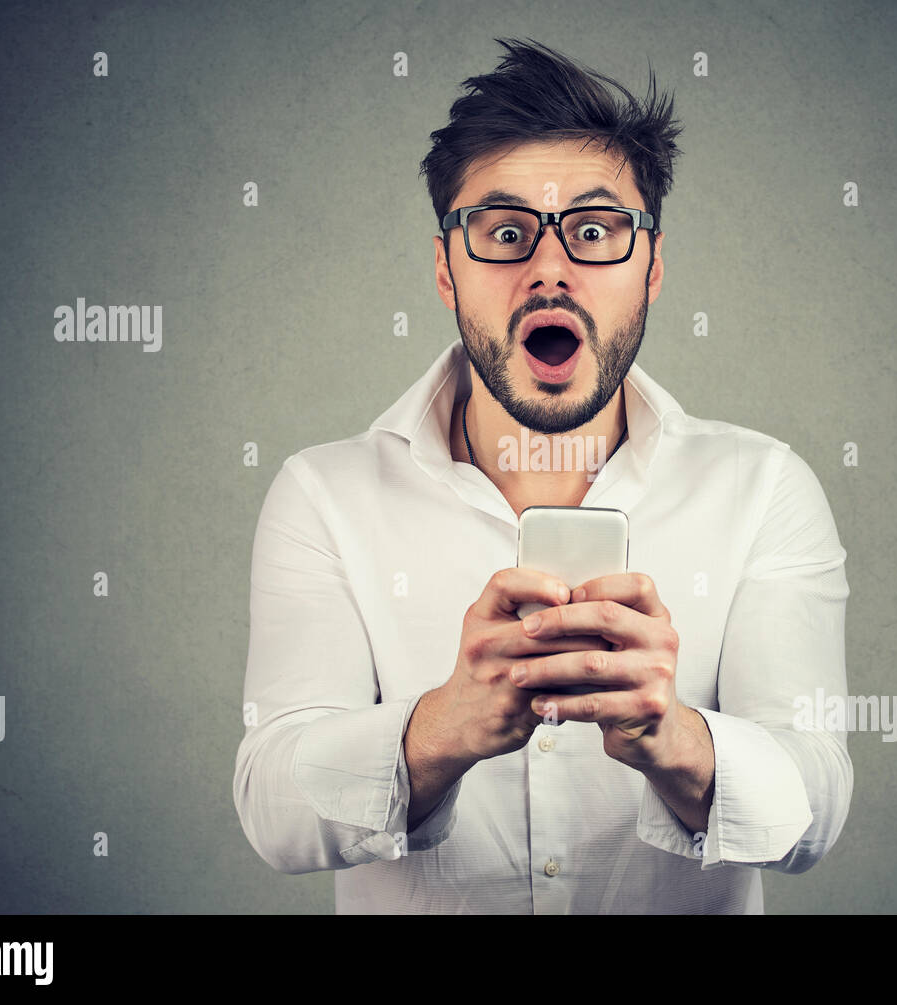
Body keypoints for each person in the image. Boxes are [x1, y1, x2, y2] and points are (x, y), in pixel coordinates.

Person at [232, 37, 853, 914]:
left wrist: (672, 737)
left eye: (596, 231)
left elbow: (814, 808)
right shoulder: (323, 496)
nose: (551, 269)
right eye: (506, 232)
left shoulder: (764, 489)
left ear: (654, 266)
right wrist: (439, 727)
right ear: (447, 268)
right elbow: (271, 806)